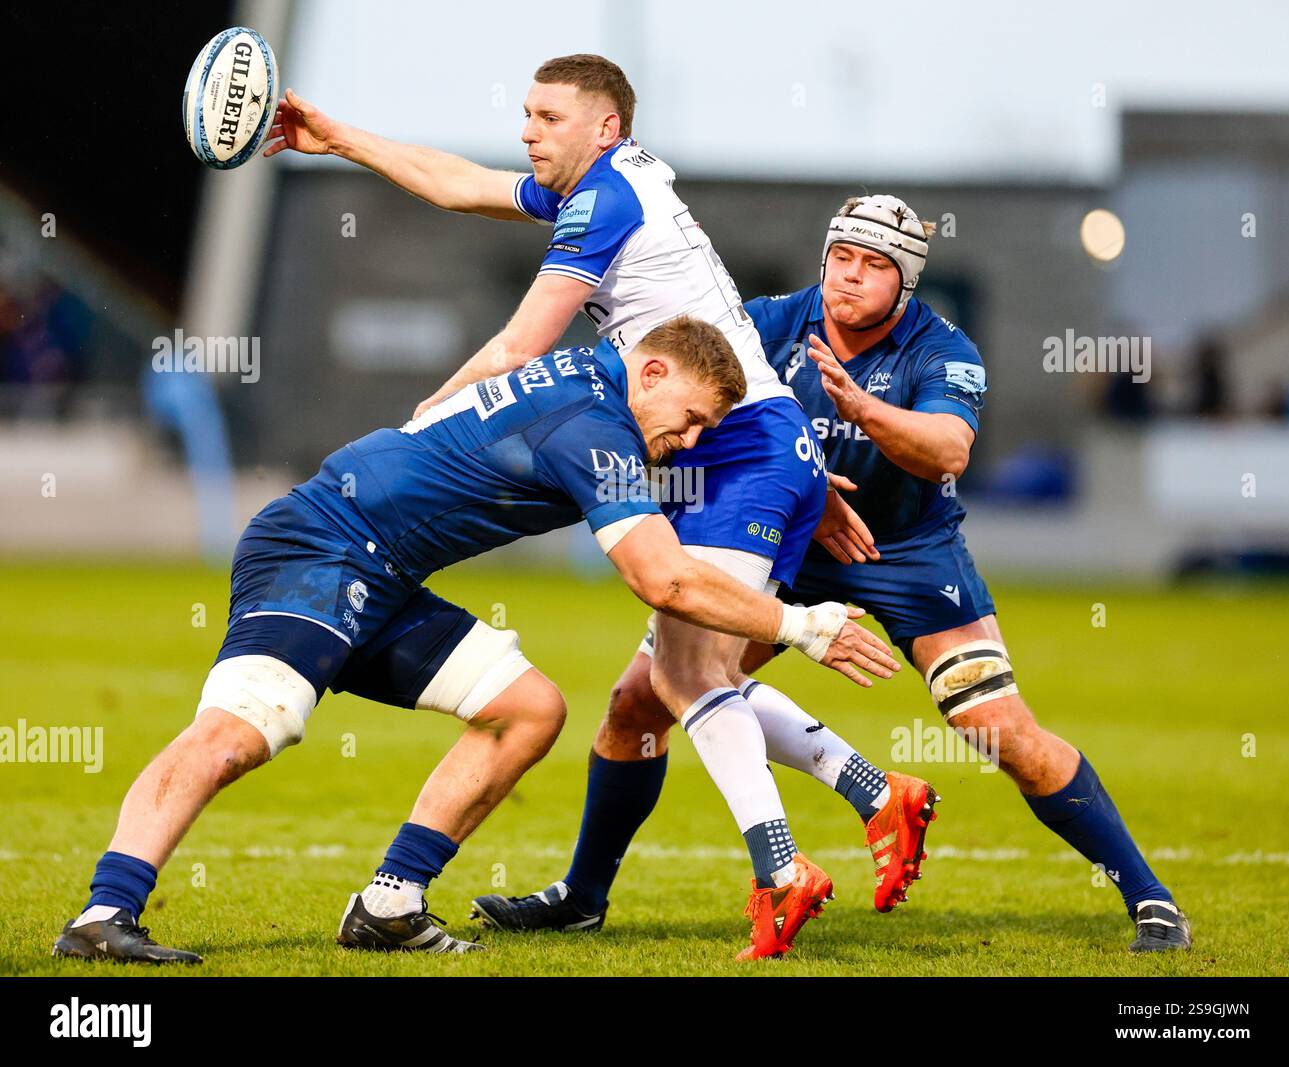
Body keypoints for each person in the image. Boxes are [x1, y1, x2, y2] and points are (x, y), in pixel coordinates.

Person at [264, 53, 931, 961]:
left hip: (736, 445)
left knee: (689, 674)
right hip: (751, 448)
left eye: (546, 116)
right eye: (526, 113)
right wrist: (337, 138)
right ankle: (863, 794)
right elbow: (460, 186)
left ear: (603, 128)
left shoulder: (607, 201)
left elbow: (516, 347)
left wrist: (430, 419)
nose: (527, 131)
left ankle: (781, 872)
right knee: (644, 696)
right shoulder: (609, 183)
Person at [52, 319, 897, 964]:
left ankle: (390, 902)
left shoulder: (598, 393)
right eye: (692, 417)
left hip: (381, 570)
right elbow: (664, 580)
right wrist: (801, 624)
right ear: (652, 370)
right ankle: (104, 912)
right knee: (243, 730)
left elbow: (502, 369)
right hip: (321, 545)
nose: (695, 438)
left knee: (527, 709)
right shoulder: (595, 429)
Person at [487, 194, 1192, 954]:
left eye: (874, 265)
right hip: (786, 544)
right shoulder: (769, 322)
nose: (849, 278)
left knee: (997, 730)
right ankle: (585, 895)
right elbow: (698, 404)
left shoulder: (942, 348)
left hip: (909, 552)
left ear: (907, 281)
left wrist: (863, 410)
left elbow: (949, 451)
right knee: (637, 702)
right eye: (841, 258)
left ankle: (1151, 898)